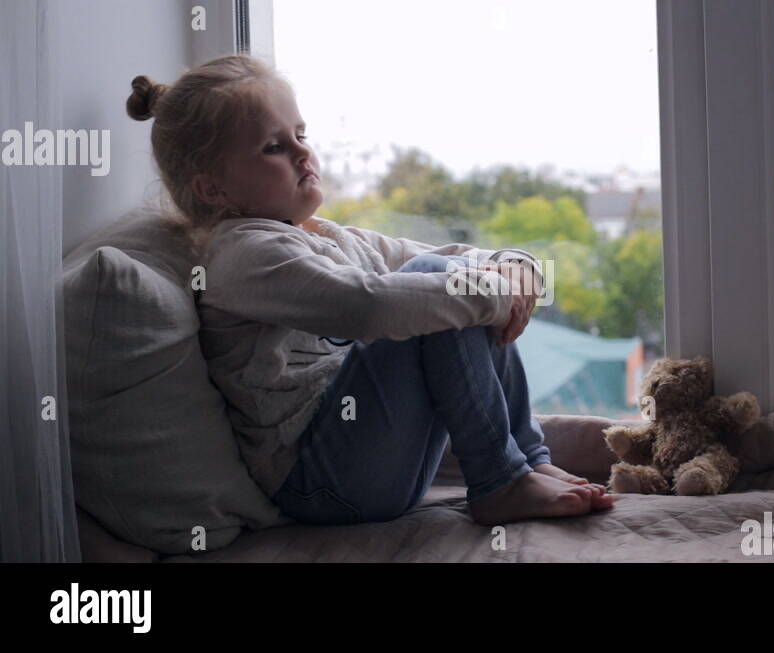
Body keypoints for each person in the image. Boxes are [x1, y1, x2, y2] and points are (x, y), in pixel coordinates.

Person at [125, 53, 615, 526]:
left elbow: (442, 256)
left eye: (300, 134)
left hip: (368, 462)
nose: (302, 152)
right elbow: (370, 306)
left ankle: (527, 460)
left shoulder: (325, 234)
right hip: (320, 481)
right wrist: (493, 292)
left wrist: (510, 264)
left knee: (443, 283)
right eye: (274, 147)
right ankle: (501, 481)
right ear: (213, 190)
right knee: (437, 291)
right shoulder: (242, 255)